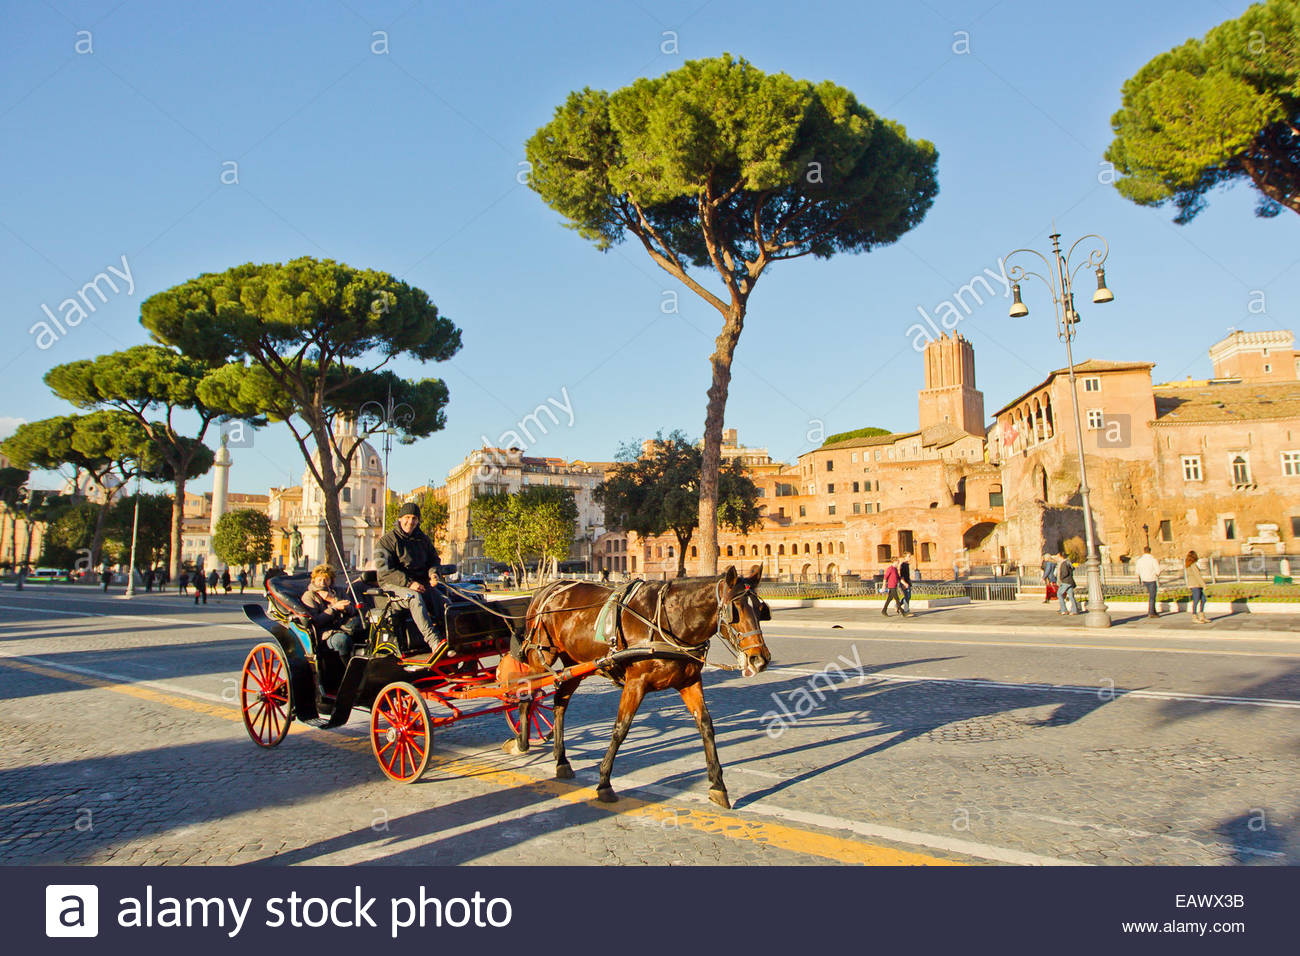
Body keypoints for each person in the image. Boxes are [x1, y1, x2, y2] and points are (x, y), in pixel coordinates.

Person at [376, 502, 447, 660]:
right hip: (392, 585)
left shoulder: (423, 539)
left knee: (441, 598)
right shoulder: (386, 541)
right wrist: (409, 583)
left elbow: (434, 560)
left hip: (419, 584)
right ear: (400, 519)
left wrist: (434, 574)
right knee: (414, 598)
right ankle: (434, 642)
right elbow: (385, 570)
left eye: (414, 518)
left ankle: (450, 638)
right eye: (407, 517)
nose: (411, 521)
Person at [301, 564, 365, 658]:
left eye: (326, 579)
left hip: (347, 627)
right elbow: (316, 622)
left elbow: (353, 610)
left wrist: (333, 600)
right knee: (342, 641)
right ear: (314, 580)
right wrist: (334, 608)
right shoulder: (309, 596)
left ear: (331, 581)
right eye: (319, 580)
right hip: (325, 633)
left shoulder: (339, 591)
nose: (323, 583)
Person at [1135, 545, 1161, 618]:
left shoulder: (1139, 560)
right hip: (1151, 579)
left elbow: (1137, 571)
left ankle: (1153, 611)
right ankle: (1151, 612)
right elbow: (1158, 571)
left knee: (1151, 596)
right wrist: (1156, 574)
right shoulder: (1153, 560)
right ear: (1150, 551)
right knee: (1152, 596)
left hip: (1144, 579)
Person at [1185, 550, 1208, 624]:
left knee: (1203, 599)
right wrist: (1204, 585)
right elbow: (1197, 576)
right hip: (1196, 585)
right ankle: (1194, 616)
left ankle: (1202, 616)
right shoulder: (1193, 565)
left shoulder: (1189, 565)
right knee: (1196, 600)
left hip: (1196, 584)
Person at [1057, 550, 1080, 615]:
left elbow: (1065, 573)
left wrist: (1061, 578)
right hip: (1070, 581)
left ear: (1061, 556)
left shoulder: (1064, 563)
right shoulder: (1068, 562)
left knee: (1059, 594)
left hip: (1065, 581)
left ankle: (1063, 609)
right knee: (1071, 596)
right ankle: (1074, 610)